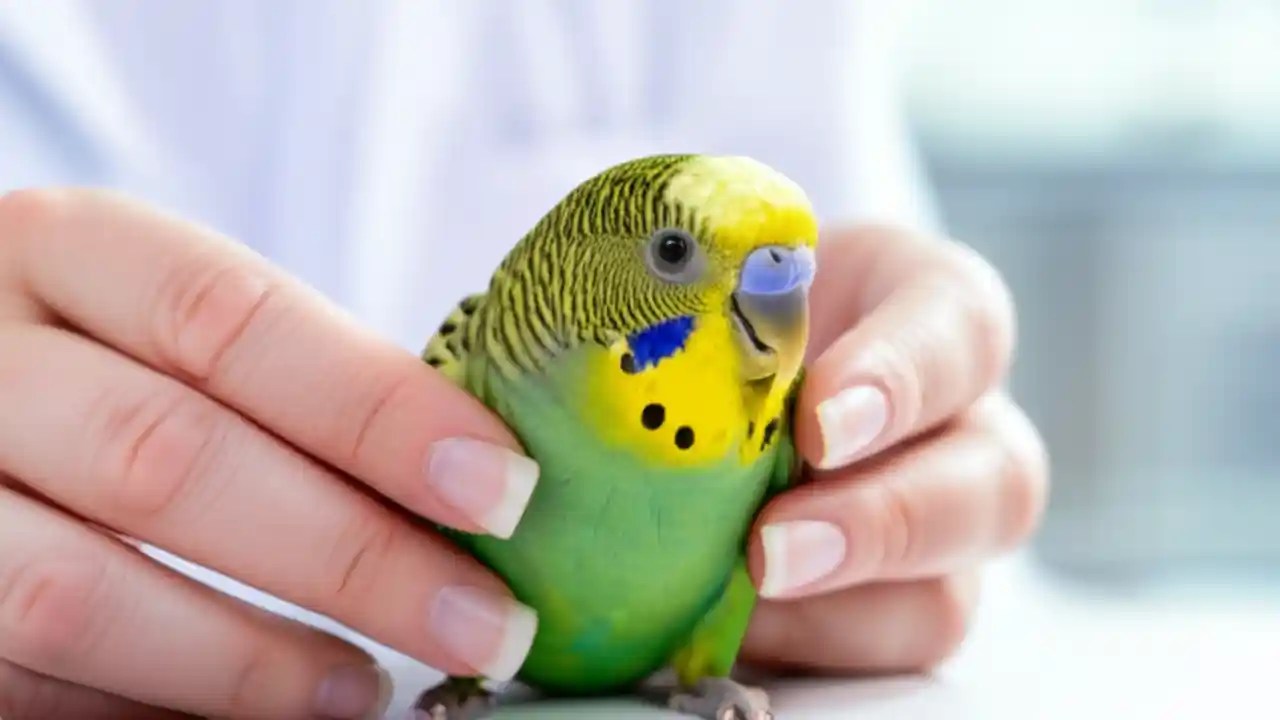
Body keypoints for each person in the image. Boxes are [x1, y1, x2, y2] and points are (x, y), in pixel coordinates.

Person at [0, 3, 1049, 719]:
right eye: (678, 255)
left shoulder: (768, 407)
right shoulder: (473, 359)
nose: (776, 297)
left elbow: (952, 570)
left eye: (786, 274)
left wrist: (901, 491)